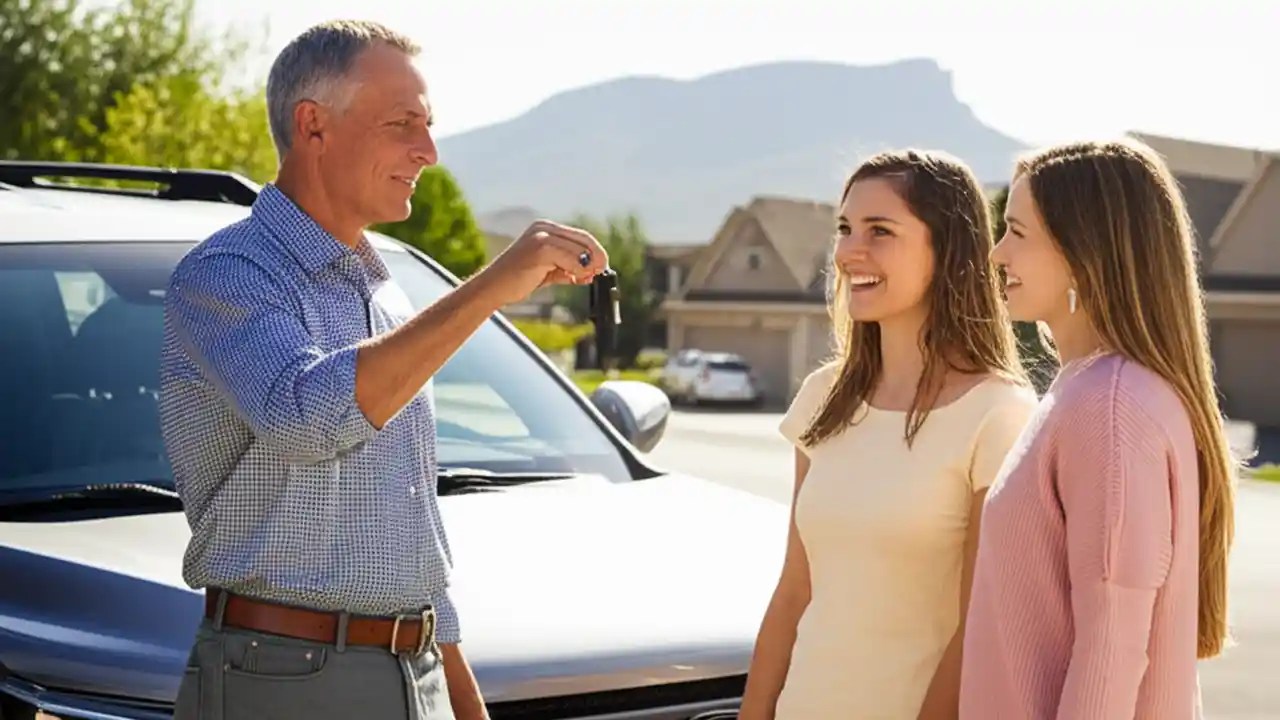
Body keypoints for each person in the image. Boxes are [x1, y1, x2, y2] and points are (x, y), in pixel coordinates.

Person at [158, 20, 608, 720]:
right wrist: (492, 285)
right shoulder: (227, 273)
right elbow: (309, 418)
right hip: (281, 680)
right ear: (313, 126)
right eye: (403, 124)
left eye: (428, 126)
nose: (428, 152)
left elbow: (407, 531)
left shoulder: (386, 290)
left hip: (414, 674)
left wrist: (460, 697)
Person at [738, 149, 1039, 720]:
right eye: (846, 228)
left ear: (947, 251)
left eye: (880, 231)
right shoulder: (823, 397)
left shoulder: (998, 414)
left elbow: (981, 630)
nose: (851, 250)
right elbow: (794, 592)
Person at [959, 138, 1239, 720]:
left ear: (1084, 252)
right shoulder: (1093, 391)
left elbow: (1111, 649)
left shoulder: (1109, 405)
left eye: (1017, 231)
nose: (996, 253)